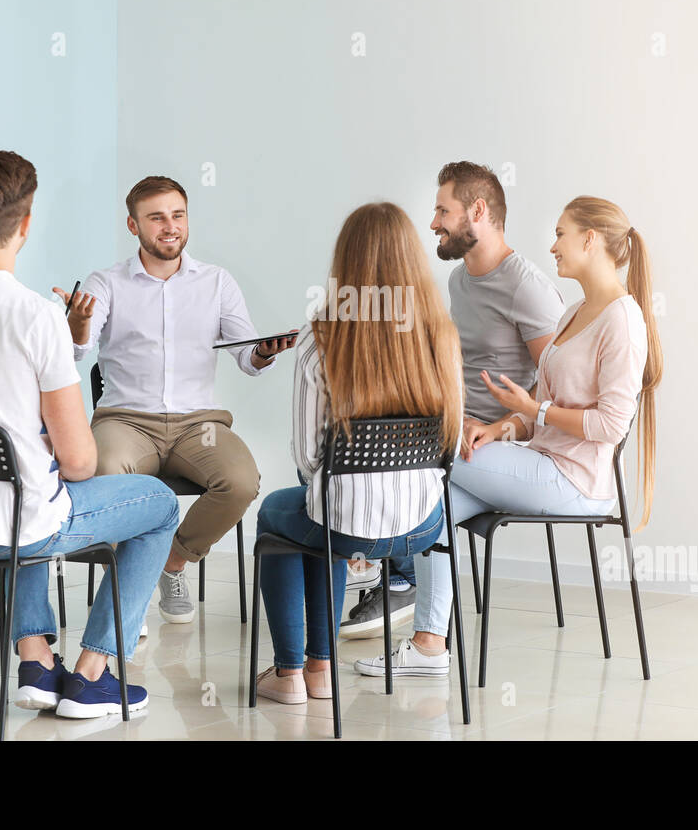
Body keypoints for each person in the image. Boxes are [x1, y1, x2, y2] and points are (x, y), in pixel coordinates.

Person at [0, 151, 180, 719]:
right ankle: (94, 673)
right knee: (160, 506)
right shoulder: (38, 317)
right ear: (26, 223)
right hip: (16, 524)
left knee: (29, 490)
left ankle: (38, 663)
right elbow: (78, 462)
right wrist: (41, 449)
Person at [357, 195, 663, 677]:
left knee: (433, 455)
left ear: (590, 239)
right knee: (431, 503)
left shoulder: (622, 320)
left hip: (576, 481)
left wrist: (533, 408)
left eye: (561, 234)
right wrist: (498, 427)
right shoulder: (576, 312)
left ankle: (363, 534)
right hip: (543, 460)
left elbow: (611, 425)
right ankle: (428, 647)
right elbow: (539, 399)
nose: (553, 245)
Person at [340, 161, 564, 640]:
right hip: (456, 433)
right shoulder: (460, 280)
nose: (434, 222)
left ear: (476, 211)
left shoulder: (527, 287)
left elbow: (557, 391)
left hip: (505, 443)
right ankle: (424, 639)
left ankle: (377, 560)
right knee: (361, 444)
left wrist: (500, 426)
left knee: (408, 467)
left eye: (443, 209)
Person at [59, 175, 294, 626]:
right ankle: (129, 593)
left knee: (241, 481)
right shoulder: (105, 282)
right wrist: (76, 325)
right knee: (105, 474)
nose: (170, 227)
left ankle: (171, 563)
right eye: (157, 218)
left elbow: (245, 354)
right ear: (133, 225)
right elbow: (75, 352)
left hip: (197, 425)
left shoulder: (217, 282)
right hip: (126, 420)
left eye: (178, 216)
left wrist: (263, 352)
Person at [254, 202, 464, 705]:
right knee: (320, 518)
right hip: (423, 526)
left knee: (281, 515)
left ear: (344, 263)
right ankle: (315, 668)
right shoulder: (441, 335)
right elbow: (450, 446)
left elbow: (308, 459)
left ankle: (299, 673)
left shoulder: (319, 338)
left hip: (344, 524)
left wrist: (343, 498)